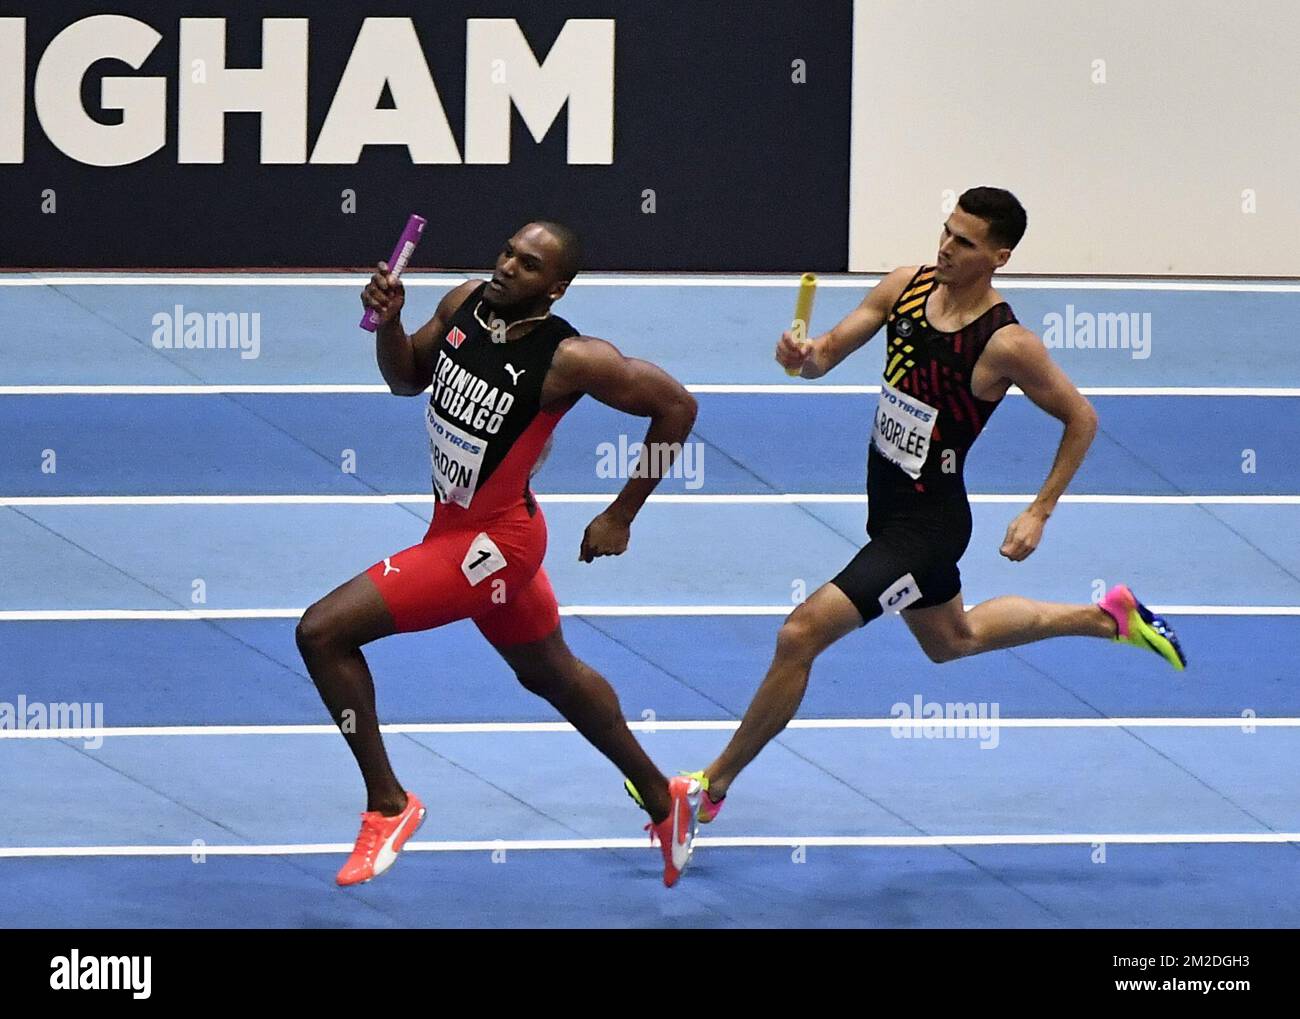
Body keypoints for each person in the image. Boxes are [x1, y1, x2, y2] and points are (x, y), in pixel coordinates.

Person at [630, 186, 1186, 825]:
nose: (946, 248)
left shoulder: (1006, 345)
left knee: (799, 634)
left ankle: (711, 786)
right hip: (888, 508)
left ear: (999, 257)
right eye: (946, 232)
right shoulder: (905, 288)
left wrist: (1040, 510)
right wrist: (802, 357)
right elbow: (825, 356)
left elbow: (1081, 419)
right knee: (955, 639)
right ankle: (1108, 617)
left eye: (965, 242)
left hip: (929, 527)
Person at [296, 221, 704, 887]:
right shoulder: (463, 304)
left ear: (557, 286)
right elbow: (406, 380)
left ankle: (389, 804)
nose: (508, 266)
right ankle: (666, 797)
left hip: (493, 547)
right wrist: (392, 324)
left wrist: (622, 512)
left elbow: (677, 408)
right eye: (509, 251)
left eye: (529, 263)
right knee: (552, 674)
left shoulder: (571, 358)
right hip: (458, 528)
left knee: (321, 631)